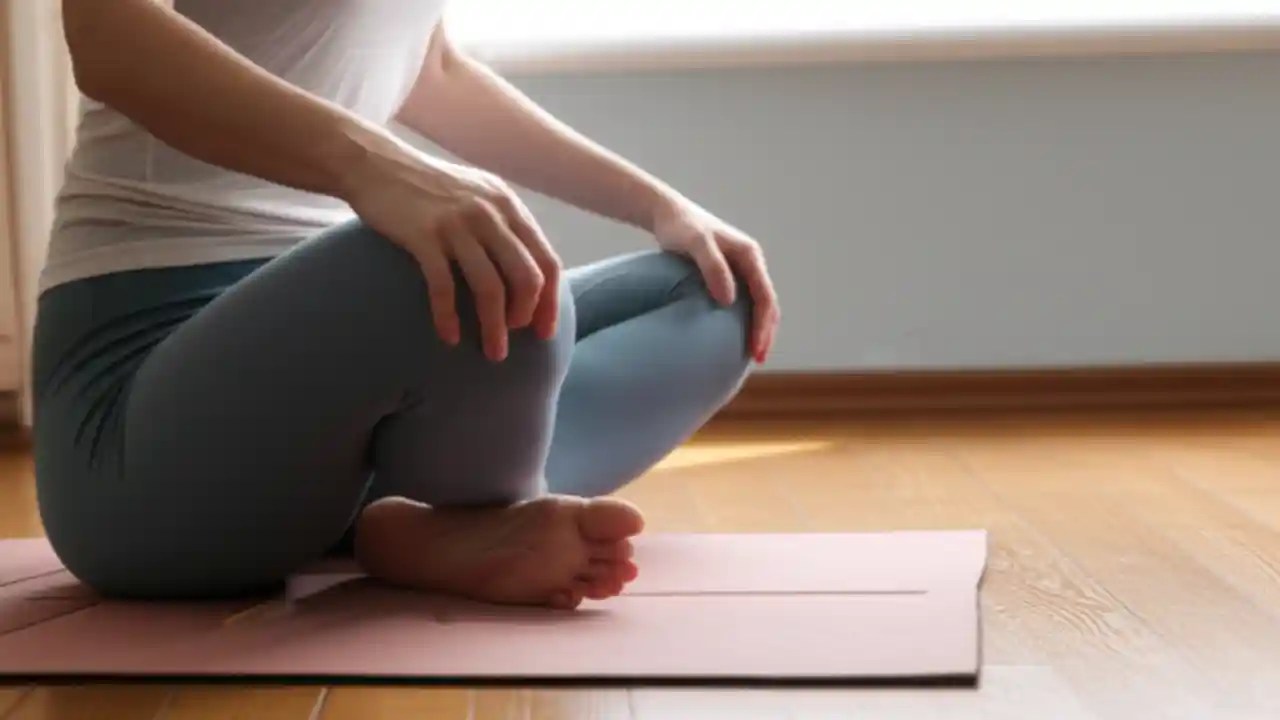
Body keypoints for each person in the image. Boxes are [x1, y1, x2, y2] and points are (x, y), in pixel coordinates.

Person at [32, 0, 780, 610]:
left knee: (716, 294)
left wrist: (658, 205)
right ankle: (471, 519)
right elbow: (109, 35)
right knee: (473, 269)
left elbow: (432, 66)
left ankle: (416, 523)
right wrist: (377, 168)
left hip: (338, 340)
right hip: (137, 419)